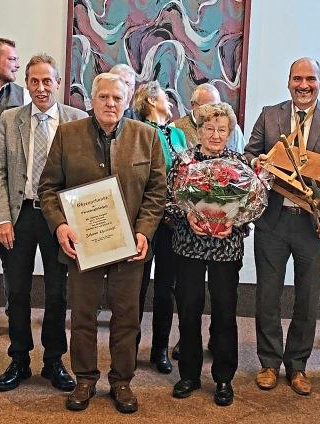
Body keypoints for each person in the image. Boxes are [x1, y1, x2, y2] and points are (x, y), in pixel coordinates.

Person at [39, 72, 167, 414]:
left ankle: (122, 381)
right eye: (104, 97)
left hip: (130, 247)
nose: (111, 103)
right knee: (82, 315)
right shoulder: (67, 135)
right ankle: (84, 379)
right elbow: (48, 188)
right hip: (84, 246)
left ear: (127, 102)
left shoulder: (147, 138)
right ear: (90, 100)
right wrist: (60, 227)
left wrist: (145, 231)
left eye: (117, 98)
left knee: (127, 317)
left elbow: (157, 192)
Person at [244, 57, 320, 396]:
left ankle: (297, 366)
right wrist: (257, 161)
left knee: (307, 300)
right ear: (288, 81)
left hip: (314, 225)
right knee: (267, 296)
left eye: (310, 78)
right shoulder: (269, 114)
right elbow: (249, 155)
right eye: (297, 78)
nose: (303, 85)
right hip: (273, 222)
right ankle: (268, 363)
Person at [0, 54, 86, 392]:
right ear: (26, 84)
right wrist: (2, 218)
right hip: (21, 216)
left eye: (48, 81)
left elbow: (85, 176)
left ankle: (53, 360)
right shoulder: (8, 119)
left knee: (58, 292)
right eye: (34, 81)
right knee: (16, 291)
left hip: (59, 219)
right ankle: (18, 358)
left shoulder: (77, 120)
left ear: (58, 83)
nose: (41, 88)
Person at [167, 102, 245, 406]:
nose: (215, 134)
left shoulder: (238, 164)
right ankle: (188, 374)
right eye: (209, 128)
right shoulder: (183, 162)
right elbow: (169, 202)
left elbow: (249, 207)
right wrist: (186, 217)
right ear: (199, 130)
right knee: (188, 310)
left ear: (229, 132)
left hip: (226, 248)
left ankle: (224, 378)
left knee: (225, 312)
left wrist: (234, 222)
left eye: (221, 129)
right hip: (189, 246)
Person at [131, 81, 188, 374]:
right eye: (166, 96)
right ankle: (130, 346)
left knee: (166, 289)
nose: (170, 100)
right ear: (152, 101)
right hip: (145, 219)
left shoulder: (178, 133)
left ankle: (160, 350)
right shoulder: (137, 131)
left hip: (173, 224)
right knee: (136, 286)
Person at [171, 83, 247, 152]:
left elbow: (242, 159)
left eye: (216, 106)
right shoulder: (174, 129)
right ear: (193, 105)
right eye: (206, 107)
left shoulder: (232, 128)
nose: (211, 111)